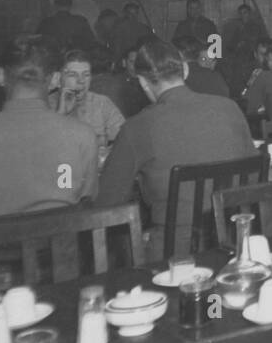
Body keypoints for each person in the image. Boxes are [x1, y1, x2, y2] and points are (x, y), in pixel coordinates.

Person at [97, 38, 256, 250]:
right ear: (185, 72)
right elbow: (254, 175)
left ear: (143, 83)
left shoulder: (137, 127)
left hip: (172, 252)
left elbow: (107, 202)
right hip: (234, 240)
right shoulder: (230, 108)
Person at [0, 36, 99, 216]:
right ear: (55, 79)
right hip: (63, 241)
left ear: (0, 76)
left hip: (0, 242)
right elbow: (87, 200)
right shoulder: (83, 136)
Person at [51, 48, 126, 165]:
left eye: (86, 75)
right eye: (73, 75)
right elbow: (45, 148)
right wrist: (61, 113)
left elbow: (125, 139)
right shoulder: (45, 105)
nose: (81, 81)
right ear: (58, 78)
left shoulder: (101, 103)